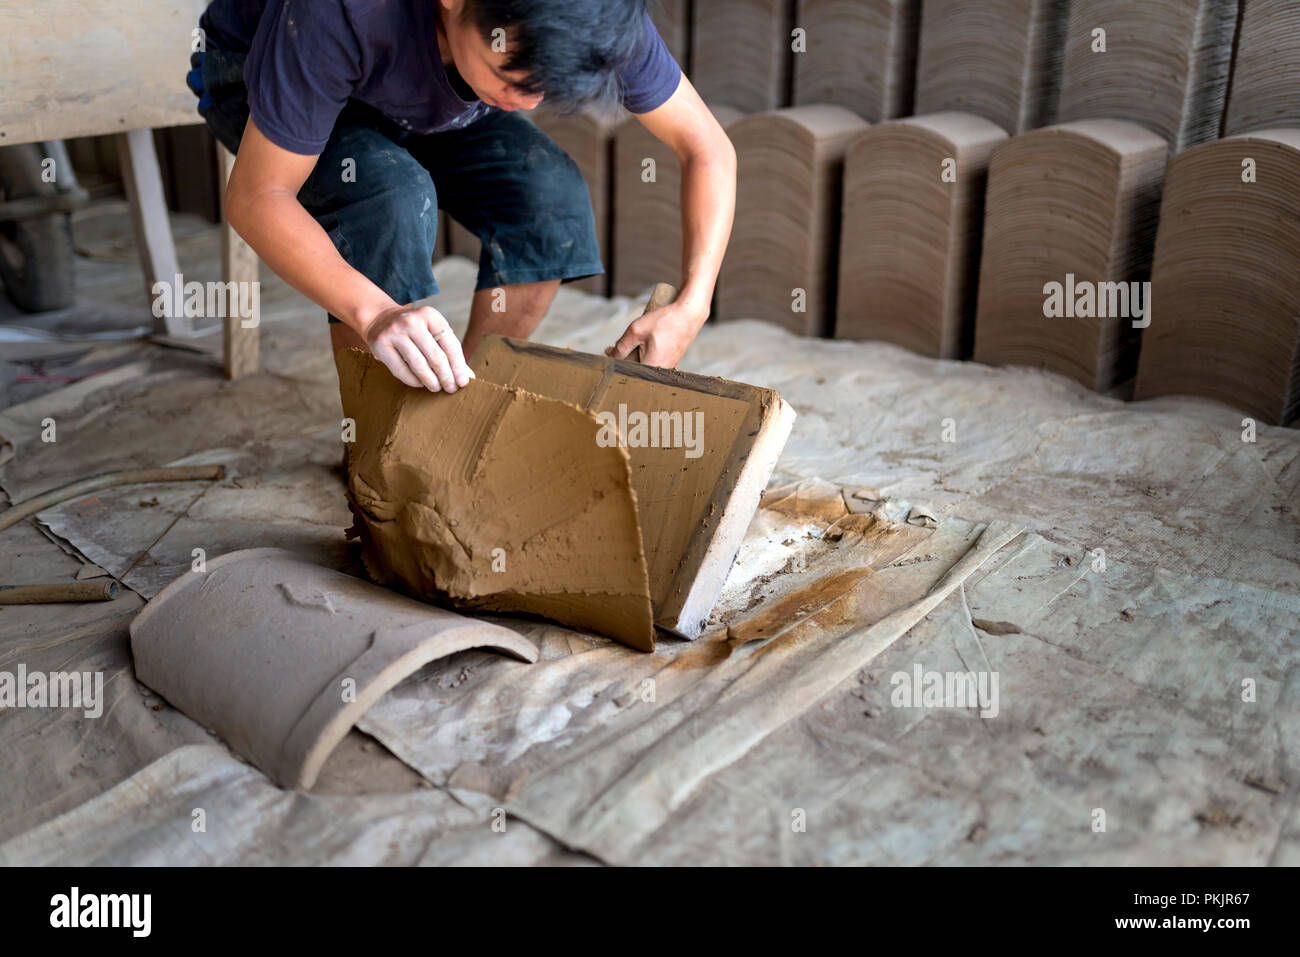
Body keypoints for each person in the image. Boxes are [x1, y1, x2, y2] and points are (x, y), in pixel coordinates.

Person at [188, 0, 737, 392]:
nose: (529, 104)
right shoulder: (340, 12)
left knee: (549, 195)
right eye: (514, 76)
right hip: (265, 70)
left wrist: (694, 303)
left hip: (427, 92)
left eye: (546, 88)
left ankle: (456, 403)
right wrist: (377, 314)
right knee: (389, 197)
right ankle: (376, 451)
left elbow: (708, 147)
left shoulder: (592, 17)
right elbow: (259, 195)